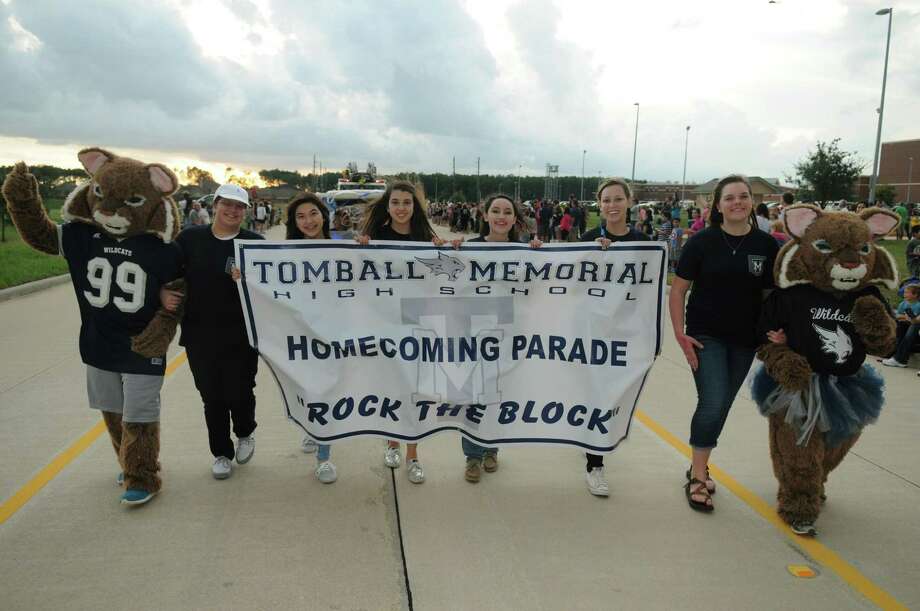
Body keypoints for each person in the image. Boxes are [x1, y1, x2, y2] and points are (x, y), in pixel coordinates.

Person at [669, 174, 779, 512]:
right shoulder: (701, 242)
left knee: (723, 404)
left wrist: (774, 330)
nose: (737, 202)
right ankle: (698, 476)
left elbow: (770, 296)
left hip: (745, 340)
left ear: (751, 201)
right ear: (717, 205)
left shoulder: (766, 245)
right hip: (705, 336)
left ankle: (698, 464)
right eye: (729, 197)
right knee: (713, 402)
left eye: (743, 196)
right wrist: (679, 332)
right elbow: (678, 290)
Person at [164, 183, 264, 480]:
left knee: (241, 390)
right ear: (215, 205)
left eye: (239, 207)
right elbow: (168, 272)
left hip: (242, 334)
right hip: (199, 333)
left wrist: (248, 280)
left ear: (245, 211)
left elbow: (272, 287)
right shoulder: (190, 239)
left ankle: (245, 432)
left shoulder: (254, 243)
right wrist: (162, 295)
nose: (233, 211)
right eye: (227, 205)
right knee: (211, 395)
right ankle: (221, 452)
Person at [355, 181, 442, 484]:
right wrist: (359, 248)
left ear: (414, 207)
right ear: (387, 205)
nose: (401, 208)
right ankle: (392, 442)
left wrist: (448, 249)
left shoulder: (425, 238)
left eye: (407, 202)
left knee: (415, 389)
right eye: (396, 202)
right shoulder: (374, 236)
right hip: (384, 324)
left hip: (417, 324)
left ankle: (413, 455)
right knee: (392, 386)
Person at [249, 194, 339, 483]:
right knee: (307, 388)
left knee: (328, 390)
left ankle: (324, 457)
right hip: (300, 334)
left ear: (324, 215)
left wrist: (364, 248)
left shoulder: (344, 246)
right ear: (294, 222)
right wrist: (242, 273)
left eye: (313, 213)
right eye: (301, 217)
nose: (309, 221)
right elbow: (261, 277)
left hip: (336, 334)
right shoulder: (283, 252)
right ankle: (313, 430)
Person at [458, 194, 542, 483]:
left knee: (498, 394)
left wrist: (539, 254)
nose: (501, 216)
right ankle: (472, 456)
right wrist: (450, 250)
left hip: (509, 335)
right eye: (495, 211)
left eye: (507, 212)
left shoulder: (525, 251)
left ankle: (492, 449)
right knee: (473, 396)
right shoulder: (469, 248)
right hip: (474, 334)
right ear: (485, 216)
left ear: (515, 219)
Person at [579, 178, 649, 496]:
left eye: (618, 199)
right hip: (594, 333)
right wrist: (596, 256)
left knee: (613, 396)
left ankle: (593, 444)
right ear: (599, 204)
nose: (612, 205)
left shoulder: (642, 242)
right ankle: (595, 465)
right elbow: (574, 286)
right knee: (596, 394)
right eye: (606, 200)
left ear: (629, 202)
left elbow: (647, 291)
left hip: (624, 333)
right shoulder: (590, 238)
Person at [881, 284, 920, 368]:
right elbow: (897, 316)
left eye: (906, 293)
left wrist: (912, 319)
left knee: (914, 325)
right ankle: (894, 355)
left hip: (915, 331)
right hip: (907, 326)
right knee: (899, 326)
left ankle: (899, 359)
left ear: (915, 295)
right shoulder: (903, 304)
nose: (904, 294)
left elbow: (916, 321)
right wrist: (905, 317)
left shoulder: (918, 305)